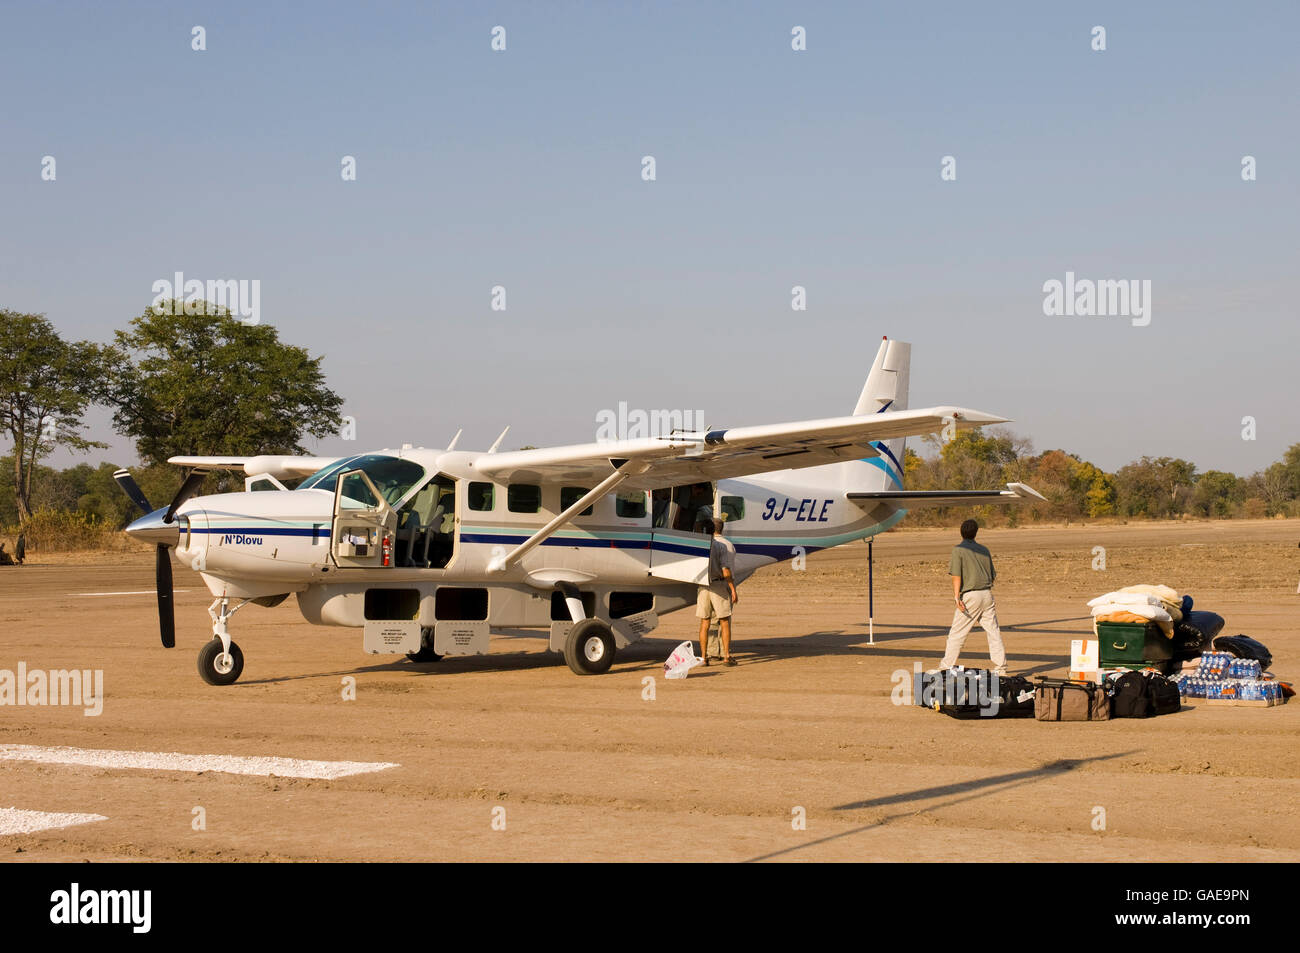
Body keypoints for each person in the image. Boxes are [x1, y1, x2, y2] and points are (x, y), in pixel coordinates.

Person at [938, 519, 1007, 674]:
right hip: (987, 594)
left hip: (971, 596)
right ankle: (1001, 667)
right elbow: (992, 574)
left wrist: (956, 597)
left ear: (961, 532)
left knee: (957, 634)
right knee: (993, 632)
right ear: (976, 532)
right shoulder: (984, 550)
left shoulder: (958, 550)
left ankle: (946, 666)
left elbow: (956, 575)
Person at [697, 517, 739, 666]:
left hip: (703, 586)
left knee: (705, 622)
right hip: (718, 586)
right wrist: (733, 589)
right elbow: (726, 571)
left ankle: (704, 656)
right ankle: (726, 656)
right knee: (724, 621)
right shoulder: (721, 546)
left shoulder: (698, 546)